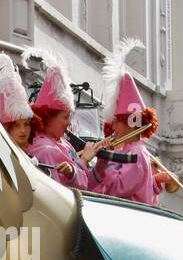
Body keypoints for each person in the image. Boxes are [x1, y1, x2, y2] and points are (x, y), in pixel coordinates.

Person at [90, 40, 170, 206]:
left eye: (117, 122)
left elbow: (118, 189)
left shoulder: (137, 153)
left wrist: (105, 162)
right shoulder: (131, 150)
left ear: (130, 122)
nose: (113, 127)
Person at [21, 48, 97, 188]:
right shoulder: (45, 149)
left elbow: (89, 183)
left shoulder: (63, 143)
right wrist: (84, 160)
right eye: (65, 117)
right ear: (48, 117)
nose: (69, 123)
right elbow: (60, 192)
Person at [0, 52, 35, 153]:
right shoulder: (1, 153)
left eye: (26, 124)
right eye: (16, 125)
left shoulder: (35, 153)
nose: (23, 130)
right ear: (7, 127)